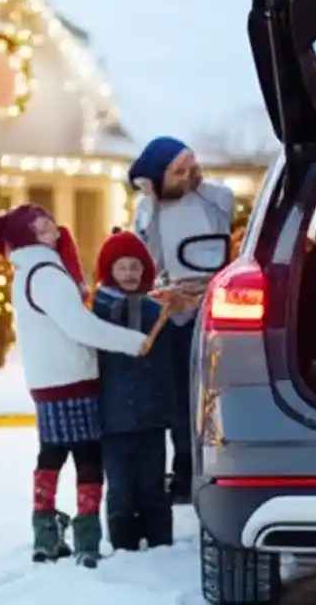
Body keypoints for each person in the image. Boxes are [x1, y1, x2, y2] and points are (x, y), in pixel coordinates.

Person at [0, 204, 147, 568]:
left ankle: (45, 532)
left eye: (52, 225)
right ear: (28, 237)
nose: (55, 232)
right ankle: (87, 539)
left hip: (46, 379)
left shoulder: (27, 272)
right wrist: (133, 342)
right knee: (88, 456)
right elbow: (81, 328)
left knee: (52, 453)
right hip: (72, 377)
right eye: (44, 228)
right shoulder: (47, 274)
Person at [128, 136, 233, 504]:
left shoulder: (214, 198)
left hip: (206, 306)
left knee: (206, 393)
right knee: (174, 396)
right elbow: (149, 256)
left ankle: (208, 465)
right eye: (178, 171)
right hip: (167, 310)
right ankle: (183, 466)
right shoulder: (146, 209)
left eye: (191, 168)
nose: (188, 176)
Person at [90, 231, 175, 551]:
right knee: (121, 485)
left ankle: (159, 538)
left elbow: (166, 363)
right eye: (122, 267)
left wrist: (169, 407)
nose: (129, 274)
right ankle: (123, 540)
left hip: (151, 415)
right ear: (109, 270)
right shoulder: (97, 311)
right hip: (112, 417)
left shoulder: (156, 311)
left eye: (135, 267)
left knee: (153, 482)